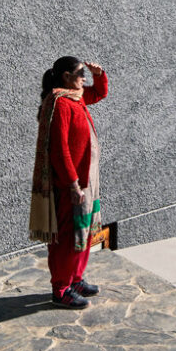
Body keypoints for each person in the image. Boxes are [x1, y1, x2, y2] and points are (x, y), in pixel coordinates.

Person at [29, 56, 108, 308]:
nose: (84, 77)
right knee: (68, 237)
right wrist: (73, 184)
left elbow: (100, 93)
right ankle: (60, 289)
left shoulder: (76, 97)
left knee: (84, 232)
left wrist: (100, 74)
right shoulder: (60, 104)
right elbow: (60, 149)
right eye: (80, 72)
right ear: (66, 76)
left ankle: (75, 279)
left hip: (88, 181)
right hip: (73, 184)